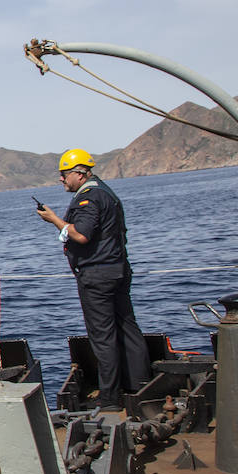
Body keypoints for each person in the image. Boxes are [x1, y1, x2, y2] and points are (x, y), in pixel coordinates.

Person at [36, 148, 150, 410]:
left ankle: (111, 399)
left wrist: (54, 219)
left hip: (97, 275)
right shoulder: (106, 192)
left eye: (64, 175)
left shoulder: (89, 197)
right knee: (127, 327)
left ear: (79, 174)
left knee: (102, 336)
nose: (61, 180)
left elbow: (81, 235)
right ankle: (140, 385)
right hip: (117, 269)